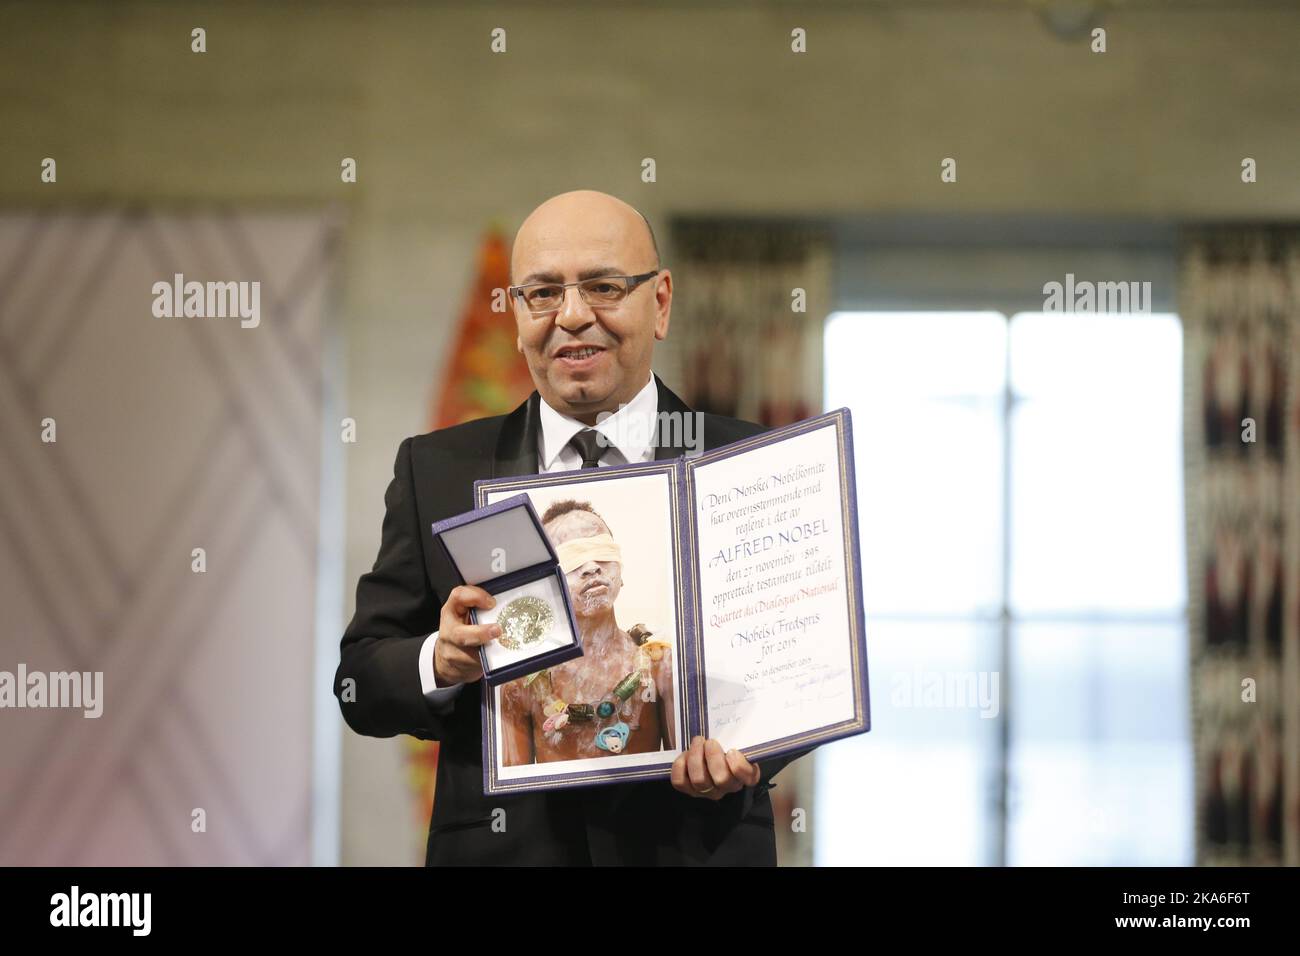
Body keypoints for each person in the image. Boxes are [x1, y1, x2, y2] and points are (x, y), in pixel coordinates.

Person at [335, 189, 804, 865]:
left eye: (605, 287)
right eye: (543, 293)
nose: (574, 316)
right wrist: (439, 658)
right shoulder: (436, 470)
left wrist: (754, 745)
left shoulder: (749, 464)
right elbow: (359, 681)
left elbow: (800, 659)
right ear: (518, 312)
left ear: (661, 302)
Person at [500, 500, 677, 766]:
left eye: (601, 550)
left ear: (621, 569)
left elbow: (689, 770)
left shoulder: (659, 664)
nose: (592, 566)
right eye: (572, 558)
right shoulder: (520, 683)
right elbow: (511, 793)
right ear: (547, 585)